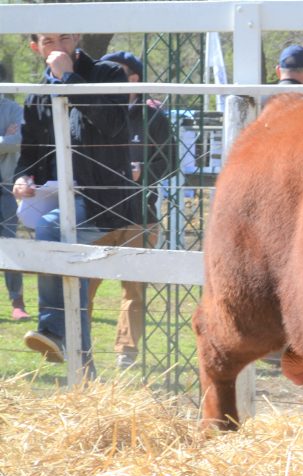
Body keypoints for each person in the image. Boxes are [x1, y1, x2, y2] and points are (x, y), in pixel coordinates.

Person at [12, 33, 136, 370]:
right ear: (35, 47)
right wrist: (22, 179)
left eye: (65, 39)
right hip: (56, 197)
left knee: (54, 232)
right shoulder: (37, 96)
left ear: (77, 39)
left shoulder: (108, 74)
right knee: (71, 269)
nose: (58, 47)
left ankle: (55, 329)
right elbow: (31, 157)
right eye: (49, 41)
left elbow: (112, 125)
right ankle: (84, 368)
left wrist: (69, 79)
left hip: (103, 199)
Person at [95, 50, 175, 368]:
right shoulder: (92, 110)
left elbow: (168, 162)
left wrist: (144, 172)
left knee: (135, 289)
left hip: (141, 216)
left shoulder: (153, 115)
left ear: (133, 79)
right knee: (82, 283)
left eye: (113, 72)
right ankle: (78, 344)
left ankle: (125, 352)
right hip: (96, 215)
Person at [0, 62, 29, 321]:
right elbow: (7, 143)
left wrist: (9, 140)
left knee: (9, 244)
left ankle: (17, 303)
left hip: (5, 189)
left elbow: (17, 140)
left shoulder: (12, 109)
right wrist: (3, 139)